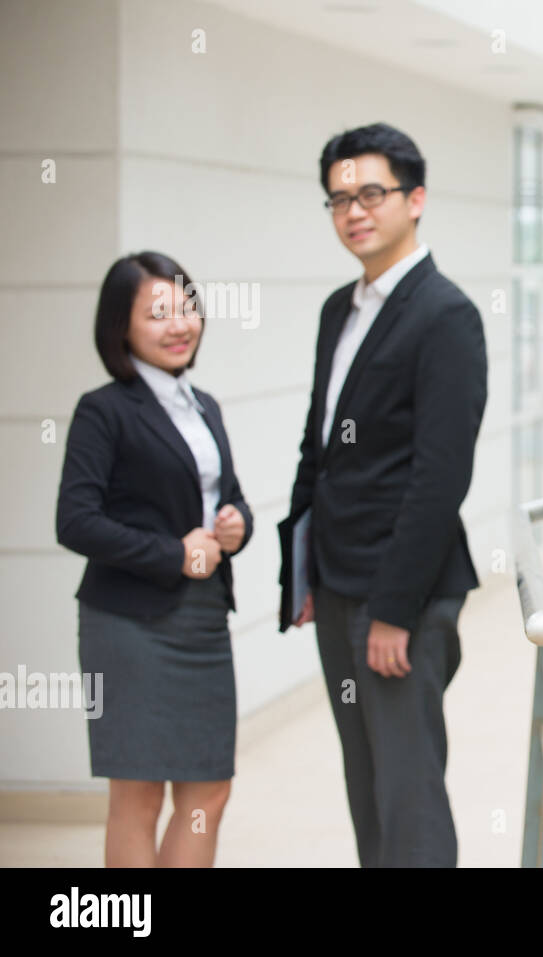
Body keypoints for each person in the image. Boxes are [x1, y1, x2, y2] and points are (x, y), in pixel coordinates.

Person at [279, 123, 487, 867]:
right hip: (336, 584)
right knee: (365, 778)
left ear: (416, 198)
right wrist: (300, 571)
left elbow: (440, 475)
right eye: (338, 198)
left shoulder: (445, 314)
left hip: (400, 593)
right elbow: (320, 448)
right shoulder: (342, 307)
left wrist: (394, 608)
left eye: (371, 192)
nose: (353, 211)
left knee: (407, 787)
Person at [56, 252, 253, 867]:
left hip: (202, 624)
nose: (179, 325)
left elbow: (226, 495)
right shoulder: (104, 410)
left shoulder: (205, 406)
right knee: (138, 797)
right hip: (130, 625)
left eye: (186, 307)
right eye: (157, 314)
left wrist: (234, 525)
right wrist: (174, 554)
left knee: (208, 792)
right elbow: (75, 521)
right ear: (122, 328)